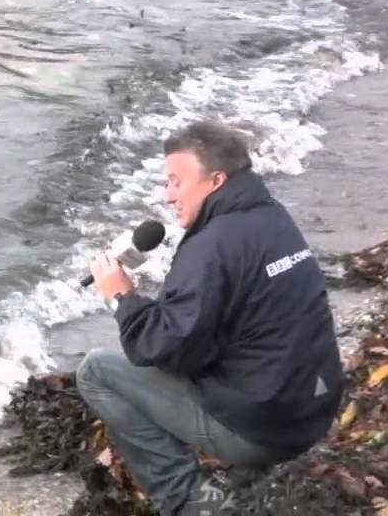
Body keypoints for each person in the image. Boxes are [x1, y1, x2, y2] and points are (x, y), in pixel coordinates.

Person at [79, 121, 345, 516]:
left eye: (176, 182)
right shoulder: (272, 217)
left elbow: (161, 349)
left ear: (216, 180)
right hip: (313, 409)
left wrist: (123, 295)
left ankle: (190, 502)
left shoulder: (212, 246)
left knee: (96, 371)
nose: (168, 196)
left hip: (266, 430)